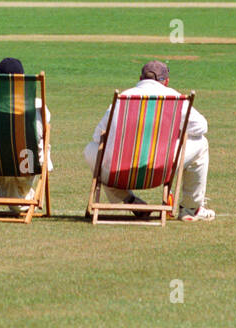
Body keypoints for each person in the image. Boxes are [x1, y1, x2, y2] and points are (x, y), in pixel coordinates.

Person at [84, 60, 213, 221]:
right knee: (201, 143)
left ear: (140, 78)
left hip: (118, 171)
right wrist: (174, 132)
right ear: (166, 81)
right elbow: (201, 127)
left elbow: (98, 137)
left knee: (92, 149)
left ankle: (129, 200)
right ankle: (191, 208)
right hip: (159, 169)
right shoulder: (174, 98)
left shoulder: (122, 98)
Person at [0, 57, 52, 206]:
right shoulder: (37, 105)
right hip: (27, 165)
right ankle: (19, 199)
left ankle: (12, 197)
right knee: (43, 141)